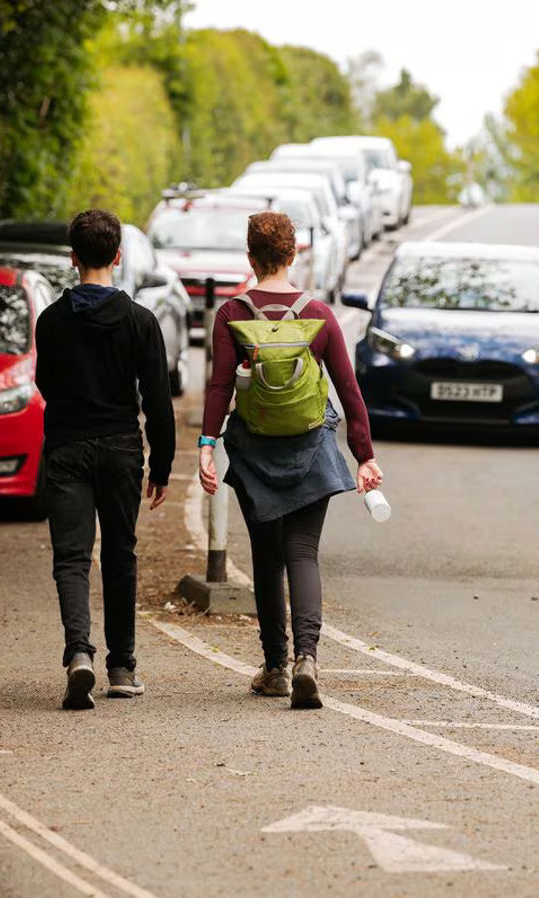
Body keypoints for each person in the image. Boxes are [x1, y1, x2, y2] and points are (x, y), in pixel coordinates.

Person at [199, 211, 382, 710]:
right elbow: (349, 389)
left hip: (256, 452)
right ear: (293, 253)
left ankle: (275, 668)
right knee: (303, 553)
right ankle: (308, 659)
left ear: (251, 258)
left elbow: (219, 386)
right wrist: (364, 457)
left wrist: (207, 445)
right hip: (310, 451)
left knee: (267, 557)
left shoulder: (232, 314)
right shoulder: (319, 315)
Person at [34, 209, 175, 711]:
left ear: (73, 259)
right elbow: (157, 399)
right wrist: (162, 467)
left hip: (68, 446)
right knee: (120, 554)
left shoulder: (51, 321)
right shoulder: (140, 322)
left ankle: (78, 654)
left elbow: (45, 384)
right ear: (118, 256)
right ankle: (122, 667)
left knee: (71, 558)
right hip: (120, 448)